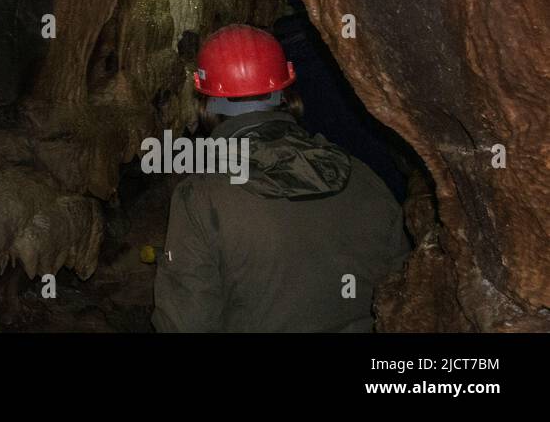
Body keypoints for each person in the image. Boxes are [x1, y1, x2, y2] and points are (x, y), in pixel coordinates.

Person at [152, 24, 411, 332]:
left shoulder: (201, 200)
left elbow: (186, 325)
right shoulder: (362, 176)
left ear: (206, 103)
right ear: (286, 94)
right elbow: (407, 292)